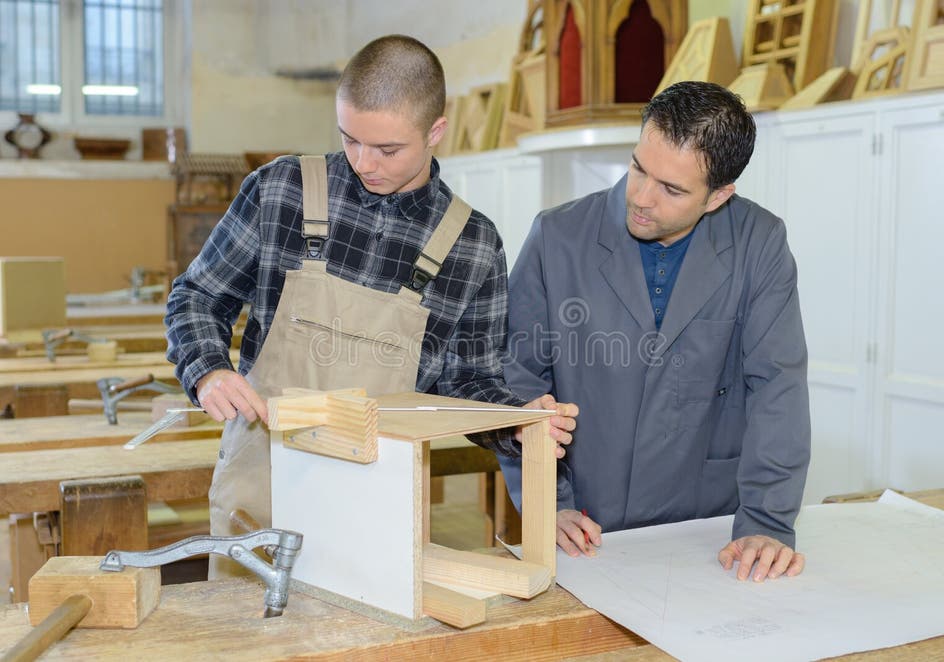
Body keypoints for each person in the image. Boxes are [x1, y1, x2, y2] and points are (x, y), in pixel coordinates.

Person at [165, 34, 577, 577]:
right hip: (260, 495)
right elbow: (196, 296)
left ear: (435, 132)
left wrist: (513, 422)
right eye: (350, 139)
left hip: (378, 505)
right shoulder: (282, 190)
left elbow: (470, 381)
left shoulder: (472, 244)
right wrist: (208, 370)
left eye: (387, 149)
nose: (363, 163)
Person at [500, 81, 810, 583]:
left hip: (708, 534)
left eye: (672, 189)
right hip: (585, 525)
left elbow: (777, 386)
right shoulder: (557, 236)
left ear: (718, 196)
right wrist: (547, 502)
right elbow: (519, 379)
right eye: (638, 168)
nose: (641, 198)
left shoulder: (760, 242)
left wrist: (767, 522)